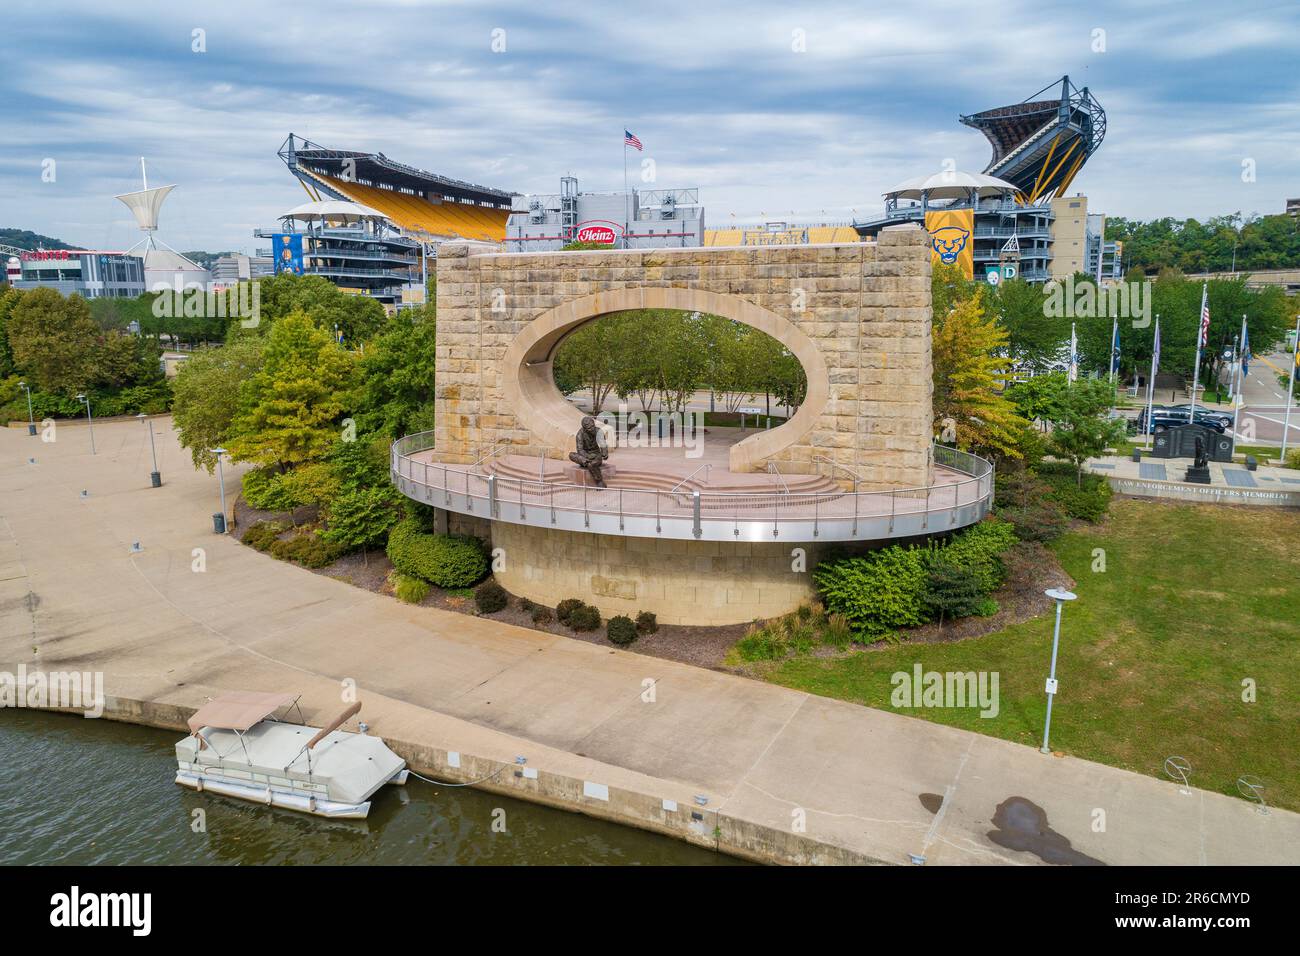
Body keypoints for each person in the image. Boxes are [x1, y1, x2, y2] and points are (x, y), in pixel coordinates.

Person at [569, 416, 609, 487]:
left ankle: (599, 481)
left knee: (591, 464)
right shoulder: (580, 434)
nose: (592, 429)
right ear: (584, 429)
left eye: (593, 426)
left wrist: (605, 453)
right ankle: (586, 462)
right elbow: (580, 450)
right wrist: (586, 457)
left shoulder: (598, 431)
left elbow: (603, 445)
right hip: (585, 456)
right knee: (571, 455)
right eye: (589, 428)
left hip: (596, 455)